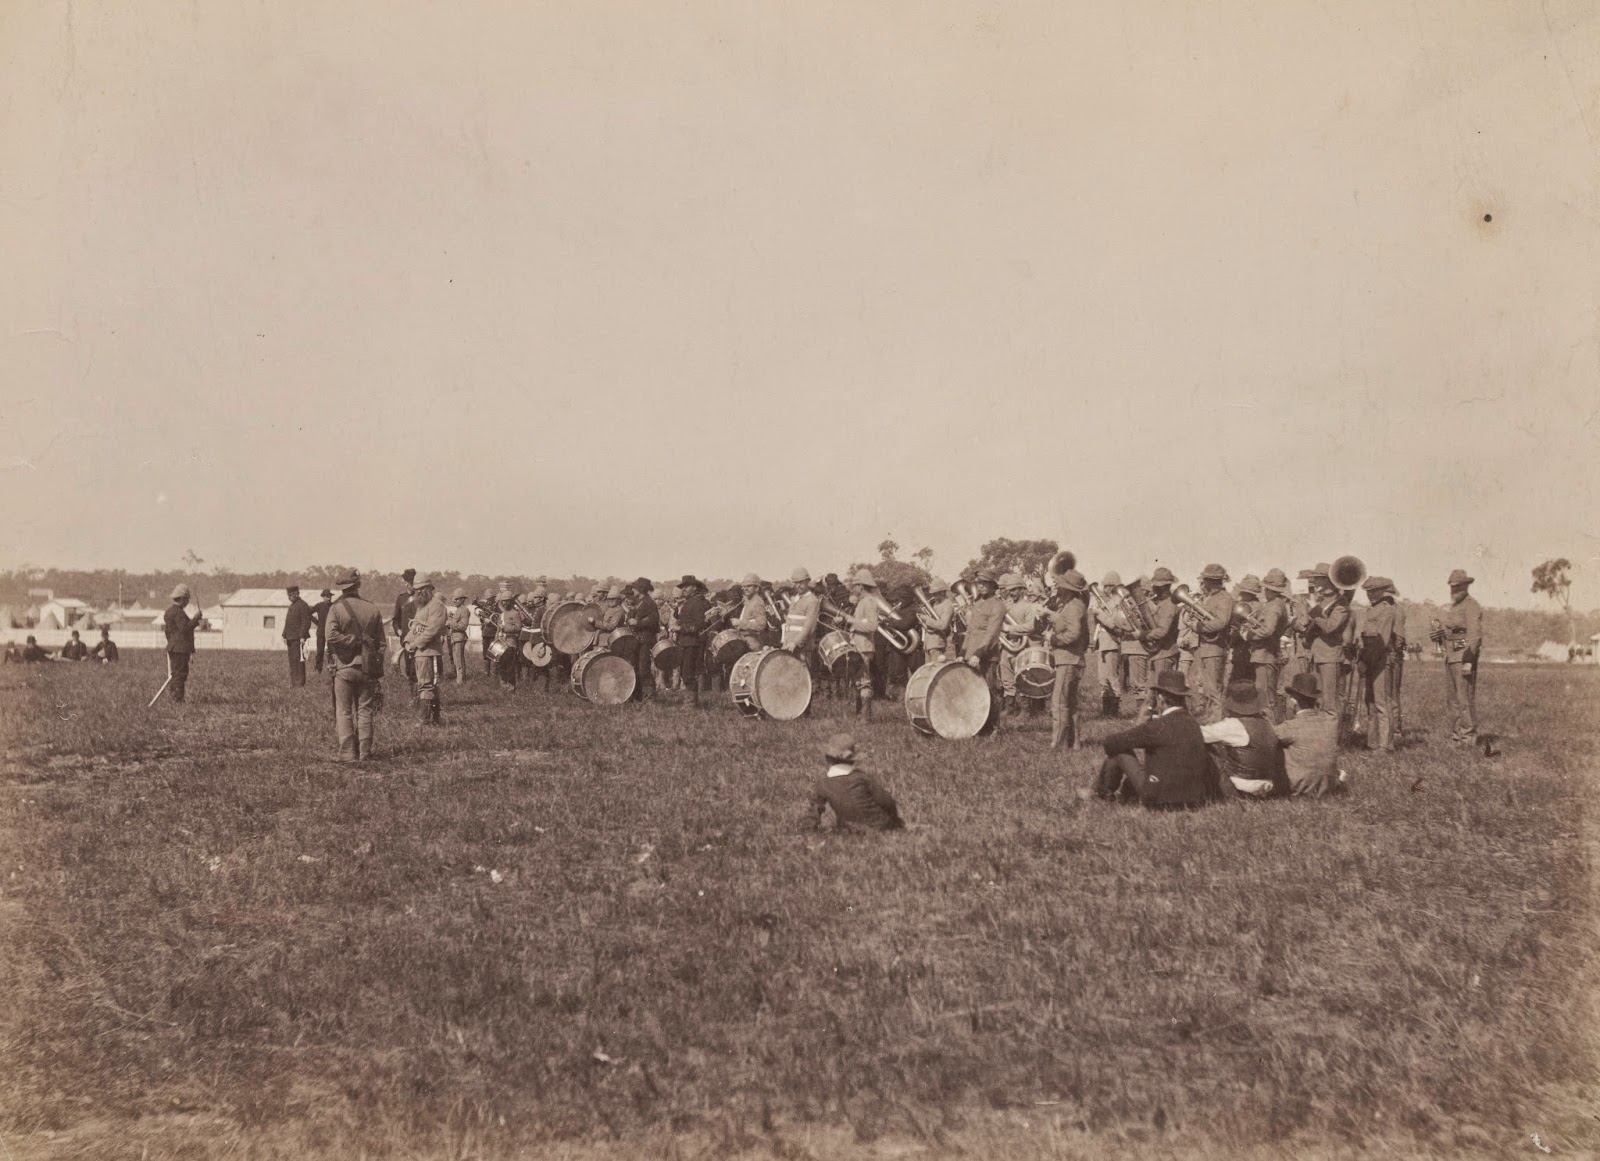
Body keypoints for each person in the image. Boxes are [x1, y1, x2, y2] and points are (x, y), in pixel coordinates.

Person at [1095, 670, 1212, 808]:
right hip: (1194, 800)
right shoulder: (1194, 724)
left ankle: (1102, 793)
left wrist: (1143, 721)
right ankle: (1122, 793)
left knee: (1120, 752)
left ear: (1161, 698)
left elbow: (1111, 742)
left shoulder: (1157, 726)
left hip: (1158, 799)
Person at [325, 567, 387, 761]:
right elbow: (382, 644)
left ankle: (348, 753)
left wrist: (349, 642)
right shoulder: (372, 608)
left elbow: (330, 636)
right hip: (367, 668)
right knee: (365, 710)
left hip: (344, 667)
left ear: (341, 588)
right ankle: (365, 752)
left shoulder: (336, 608)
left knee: (343, 711)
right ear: (358, 585)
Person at [1201, 683, 1289, 799]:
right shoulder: (1267, 724)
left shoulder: (1234, 725)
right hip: (1268, 785)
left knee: (1210, 749)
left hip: (1241, 786)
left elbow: (1198, 734)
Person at [807, 733, 904, 832]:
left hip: (850, 829)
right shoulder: (861, 778)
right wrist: (895, 819)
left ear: (828, 759)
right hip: (880, 826)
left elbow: (813, 813)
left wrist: (809, 828)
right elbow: (887, 801)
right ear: (852, 760)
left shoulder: (823, 785)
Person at [1276, 672, 1347, 797]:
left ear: (1293, 702)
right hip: (1328, 787)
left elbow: (1265, 738)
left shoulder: (1290, 727)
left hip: (1299, 789)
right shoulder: (1329, 724)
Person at [1434, 568, 1484, 744]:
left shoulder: (1471, 605)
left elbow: (1475, 635)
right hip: (1451, 656)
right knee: (1453, 700)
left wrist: (1469, 660)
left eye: (1457, 587)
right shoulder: (1455, 607)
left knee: (1464, 699)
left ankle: (1468, 737)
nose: (1454, 591)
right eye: (1452, 588)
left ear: (1466, 586)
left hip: (1463, 657)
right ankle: (1457, 736)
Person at [1354, 576, 1403, 750]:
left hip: (1380, 660)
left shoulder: (1387, 610)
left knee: (1382, 703)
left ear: (1383, 592)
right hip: (1369, 658)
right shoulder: (1370, 610)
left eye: (1375, 591)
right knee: (1371, 703)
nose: (1371, 595)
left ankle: (1386, 745)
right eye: (1368, 592)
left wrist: (1365, 662)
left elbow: (1381, 641)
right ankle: (1372, 742)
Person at [1233, 574, 1287, 724]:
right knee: (1265, 696)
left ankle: (1271, 734)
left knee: (1265, 699)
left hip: (1265, 655)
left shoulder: (1274, 606)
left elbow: (1267, 630)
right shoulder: (1275, 603)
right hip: (1265, 654)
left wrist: (1247, 635)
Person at [1047, 568, 1089, 749]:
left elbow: (1073, 634)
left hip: (1067, 659)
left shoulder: (1073, 607)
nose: (1059, 589)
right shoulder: (1077, 605)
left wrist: (1053, 638)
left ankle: (1059, 743)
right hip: (1074, 659)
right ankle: (1075, 742)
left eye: (1062, 587)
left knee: (1059, 703)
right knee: (1071, 704)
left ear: (1069, 589)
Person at [1304, 564, 1350, 715]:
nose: (1315, 581)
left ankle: (1333, 737)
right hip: (1318, 656)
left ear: (1329, 581)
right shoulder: (1322, 602)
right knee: (1320, 701)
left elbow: (1330, 627)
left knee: (1330, 704)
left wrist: (1314, 610)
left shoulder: (1341, 604)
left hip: (1330, 657)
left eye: (1318, 578)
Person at [1192, 564, 1235, 722]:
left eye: (1206, 580)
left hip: (1215, 649)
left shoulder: (1224, 598)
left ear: (1211, 581)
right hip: (1206, 648)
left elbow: (1220, 623)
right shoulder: (1211, 597)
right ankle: (1211, 720)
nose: (1204, 583)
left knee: (1214, 690)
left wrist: (1198, 626)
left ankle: (1215, 722)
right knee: (1208, 689)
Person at [402, 575, 447, 724]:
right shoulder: (422, 606)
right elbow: (415, 627)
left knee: (428, 685)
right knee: (426, 684)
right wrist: (407, 641)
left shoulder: (437, 606)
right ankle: (434, 720)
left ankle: (425, 720)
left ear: (429, 588)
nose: (418, 592)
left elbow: (432, 630)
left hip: (430, 652)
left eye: (422, 589)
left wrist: (414, 644)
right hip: (420, 653)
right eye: (416, 589)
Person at [997, 573, 1045, 716]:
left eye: (1015, 590)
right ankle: (1009, 708)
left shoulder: (1029, 607)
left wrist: (1010, 629)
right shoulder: (1007, 606)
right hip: (1007, 646)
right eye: (1010, 590)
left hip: (1023, 647)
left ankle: (1025, 710)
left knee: (1023, 677)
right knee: (1006, 678)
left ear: (1022, 589)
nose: (1012, 593)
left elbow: (1031, 626)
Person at [1137, 567, 1181, 715]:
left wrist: (1143, 635)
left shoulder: (1168, 605)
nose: (1153, 588)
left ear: (1163, 587)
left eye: (1155, 585)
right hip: (1160, 654)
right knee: (1154, 694)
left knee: (1160, 695)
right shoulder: (1163, 604)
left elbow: (1162, 631)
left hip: (1165, 653)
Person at [844, 569, 884, 718]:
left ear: (861, 586)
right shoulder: (863, 602)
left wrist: (852, 621)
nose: (853, 588)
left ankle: (865, 717)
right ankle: (860, 714)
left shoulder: (869, 602)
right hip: (859, 645)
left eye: (855, 585)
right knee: (859, 681)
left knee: (864, 681)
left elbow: (873, 626)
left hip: (865, 647)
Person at [1092, 570, 1127, 715]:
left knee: (1112, 678)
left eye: (1109, 586)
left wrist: (1099, 614)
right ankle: (1106, 710)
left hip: (1112, 643)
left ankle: (1114, 711)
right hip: (1102, 643)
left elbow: (1115, 623)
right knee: (1102, 679)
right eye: (1105, 586)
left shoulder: (1121, 602)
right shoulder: (1103, 602)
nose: (1105, 589)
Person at [674, 575, 711, 706]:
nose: (683, 589)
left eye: (686, 586)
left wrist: (679, 628)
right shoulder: (691, 601)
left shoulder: (698, 602)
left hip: (692, 642)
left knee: (688, 672)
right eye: (682, 587)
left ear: (694, 587)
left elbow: (698, 625)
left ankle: (690, 703)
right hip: (686, 642)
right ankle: (690, 701)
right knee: (686, 672)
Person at [163, 585, 203, 702]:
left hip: (173, 648)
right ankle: (177, 700)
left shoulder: (169, 612)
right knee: (180, 675)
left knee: (175, 674)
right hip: (180, 649)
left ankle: (174, 699)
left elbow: (168, 632)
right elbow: (185, 628)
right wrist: (196, 619)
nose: (187, 602)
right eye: (186, 599)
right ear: (181, 598)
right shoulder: (179, 613)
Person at [625, 577, 661, 702]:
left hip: (645, 640)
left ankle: (650, 698)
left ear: (640, 589)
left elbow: (653, 620)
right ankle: (638, 696)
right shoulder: (638, 602)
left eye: (635, 588)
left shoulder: (649, 603)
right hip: (637, 640)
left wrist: (637, 622)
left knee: (644, 668)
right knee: (635, 667)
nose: (633, 590)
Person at [780, 567, 822, 661]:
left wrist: (795, 643)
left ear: (808, 581)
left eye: (801, 582)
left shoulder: (812, 600)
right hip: (789, 645)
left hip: (802, 648)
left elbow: (809, 627)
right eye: (795, 583)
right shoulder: (794, 599)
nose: (797, 586)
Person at [916, 576, 956, 664]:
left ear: (942, 592)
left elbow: (943, 625)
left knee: (936, 670)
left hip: (937, 643)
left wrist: (926, 618)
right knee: (929, 671)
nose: (933, 596)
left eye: (935, 594)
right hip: (929, 643)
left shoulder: (947, 604)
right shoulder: (936, 604)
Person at [493, 584, 523, 690]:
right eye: (503, 601)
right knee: (501, 665)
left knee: (510, 666)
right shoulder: (502, 614)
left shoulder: (515, 613)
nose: (505, 603)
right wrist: (496, 639)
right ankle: (504, 684)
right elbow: (498, 628)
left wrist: (505, 627)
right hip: (501, 642)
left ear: (511, 601)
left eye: (507, 601)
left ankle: (511, 687)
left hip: (511, 642)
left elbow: (518, 627)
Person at [283, 585, 313, 687]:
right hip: (290, 638)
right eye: (288, 595)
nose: (289, 597)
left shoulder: (303, 605)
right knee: (292, 661)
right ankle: (293, 682)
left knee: (299, 660)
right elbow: (288, 622)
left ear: (297, 594)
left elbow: (306, 622)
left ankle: (300, 683)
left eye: (290, 595)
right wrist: (284, 635)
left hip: (298, 639)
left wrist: (302, 636)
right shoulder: (292, 606)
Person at [392, 568, 417, 689]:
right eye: (410, 582)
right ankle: (414, 694)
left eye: (413, 582)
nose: (412, 584)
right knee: (409, 668)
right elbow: (395, 620)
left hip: (419, 637)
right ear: (406, 582)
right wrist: (399, 631)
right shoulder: (401, 598)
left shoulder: (421, 597)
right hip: (406, 638)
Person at [444, 588, 472, 684]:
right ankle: (460, 680)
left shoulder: (464, 610)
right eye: (453, 599)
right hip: (455, 638)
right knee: (457, 660)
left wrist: (450, 623)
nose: (453, 601)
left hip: (459, 638)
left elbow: (463, 626)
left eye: (456, 599)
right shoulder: (459, 610)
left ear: (462, 600)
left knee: (459, 660)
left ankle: (460, 681)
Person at [477, 586, 500, 676]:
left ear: (493, 597)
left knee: (493, 653)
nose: (488, 600)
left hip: (493, 632)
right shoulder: (485, 605)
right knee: (485, 653)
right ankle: (486, 672)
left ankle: (494, 673)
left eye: (489, 598)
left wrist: (490, 621)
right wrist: (482, 618)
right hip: (485, 632)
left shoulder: (497, 606)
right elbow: (482, 619)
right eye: (487, 598)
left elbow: (498, 618)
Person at [310, 588, 333, 674]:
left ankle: (331, 669)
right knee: (320, 651)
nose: (329, 598)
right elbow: (309, 613)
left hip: (331, 632)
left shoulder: (333, 606)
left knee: (331, 651)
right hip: (321, 632)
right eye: (327, 596)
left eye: (330, 596)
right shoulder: (319, 605)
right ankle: (318, 670)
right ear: (323, 597)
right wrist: (317, 622)